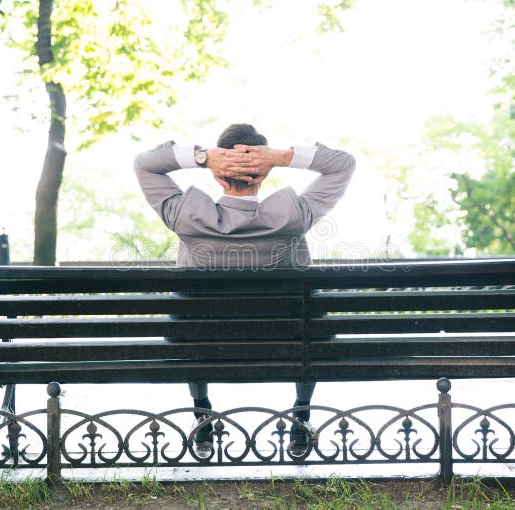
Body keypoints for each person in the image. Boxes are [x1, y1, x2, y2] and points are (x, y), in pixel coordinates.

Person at [133, 123, 355, 455]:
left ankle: (201, 411)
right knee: (313, 316)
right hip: (288, 346)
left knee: (187, 315)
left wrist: (204, 157)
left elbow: (144, 163)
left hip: (204, 348)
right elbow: (344, 163)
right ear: (263, 174)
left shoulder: (186, 215)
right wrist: (280, 156)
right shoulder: (293, 216)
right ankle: (301, 413)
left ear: (218, 175)